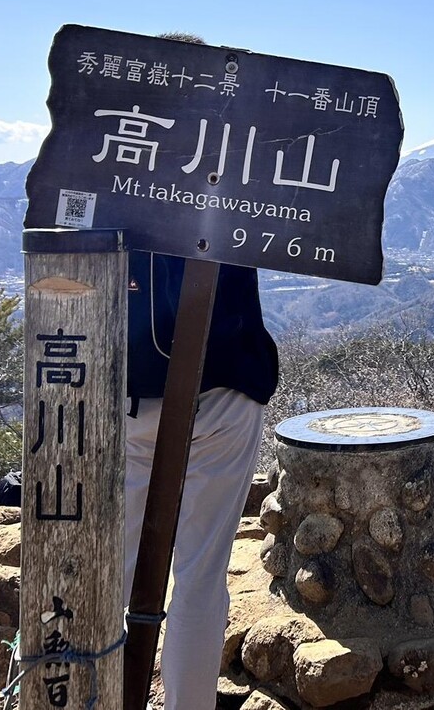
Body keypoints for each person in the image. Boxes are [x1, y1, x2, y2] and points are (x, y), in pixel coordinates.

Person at [123, 248, 278, 708]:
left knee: (112, 577)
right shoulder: (241, 172)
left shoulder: (108, 175)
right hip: (224, 391)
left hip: (128, 396)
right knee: (201, 577)